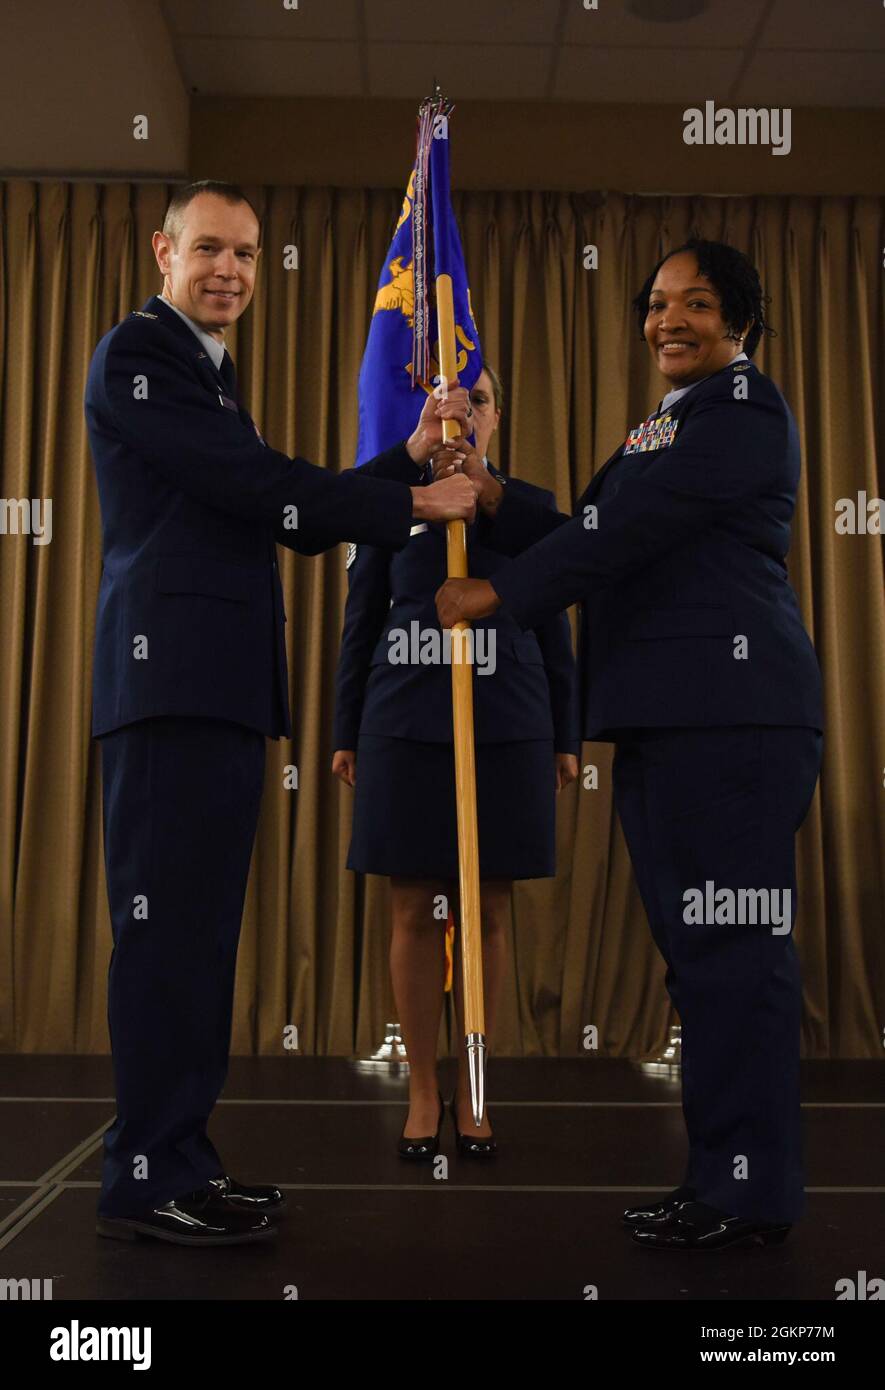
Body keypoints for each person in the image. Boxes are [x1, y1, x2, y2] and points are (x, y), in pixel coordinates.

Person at [85, 179, 475, 1246]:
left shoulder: (210, 372)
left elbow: (276, 500)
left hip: (214, 694)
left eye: (249, 255)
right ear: (161, 253)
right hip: (166, 690)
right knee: (166, 943)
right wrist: (408, 499)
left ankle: (183, 1159)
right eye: (210, 248)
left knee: (204, 941)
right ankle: (144, 1170)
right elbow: (261, 490)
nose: (231, 271)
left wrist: (403, 460)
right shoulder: (138, 355)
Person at [434, 240, 824, 1251]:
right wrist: (497, 500)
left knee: (736, 957)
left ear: (738, 321)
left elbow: (623, 531)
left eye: (695, 304)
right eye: (656, 305)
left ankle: (751, 1190)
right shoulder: (670, 418)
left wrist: (498, 592)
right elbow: (602, 522)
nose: (669, 322)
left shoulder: (744, 410)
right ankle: (719, 1180)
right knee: (700, 964)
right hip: (672, 721)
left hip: (733, 721)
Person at [332, 366, 579, 1159]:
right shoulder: (391, 504)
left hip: (508, 723)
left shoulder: (528, 509)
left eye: (476, 398)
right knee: (412, 909)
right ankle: (422, 1090)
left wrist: (566, 736)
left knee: (488, 912)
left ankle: (474, 1090)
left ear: (495, 414)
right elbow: (361, 620)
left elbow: (552, 626)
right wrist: (345, 729)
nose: (461, 410)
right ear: (426, 412)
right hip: (402, 724)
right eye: (447, 398)